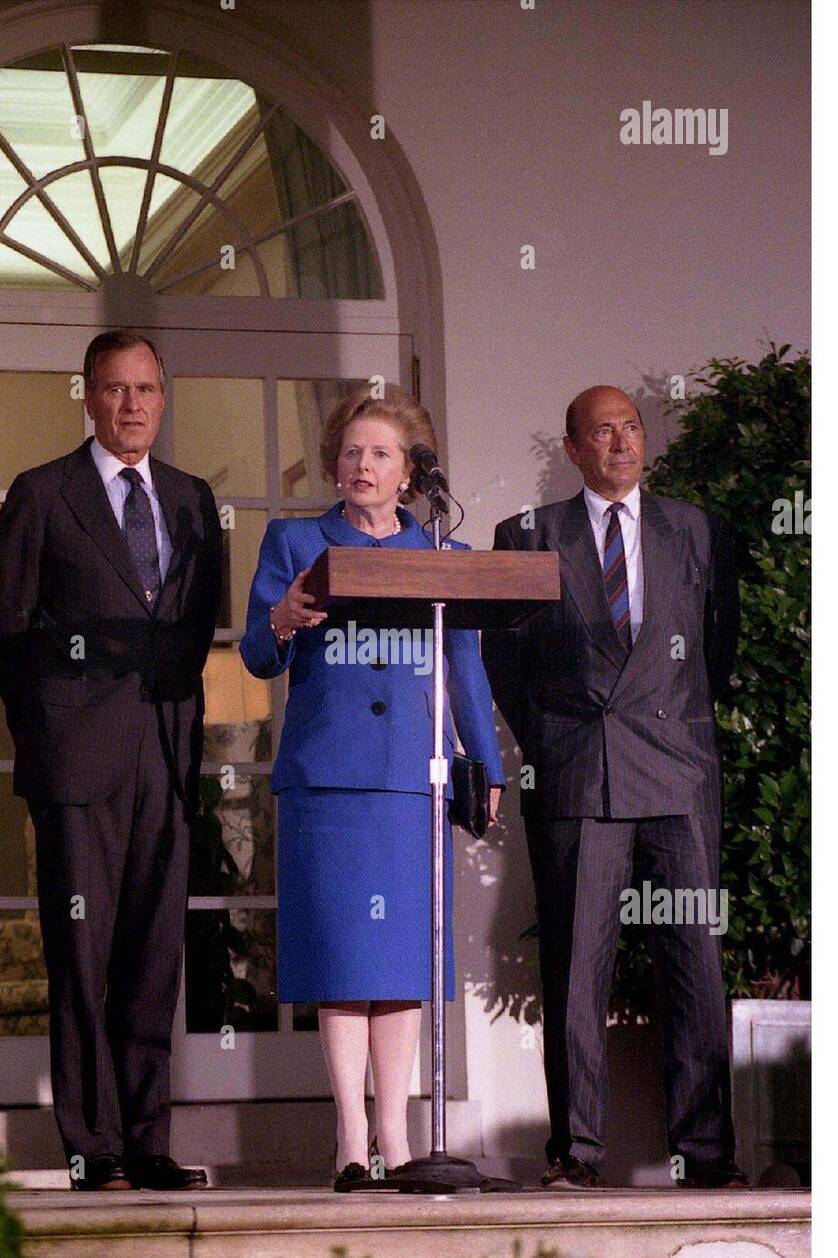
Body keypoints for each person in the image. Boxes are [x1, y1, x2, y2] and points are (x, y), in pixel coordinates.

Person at [482, 385, 748, 1190]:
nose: (621, 442)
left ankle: (706, 1156)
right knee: (576, 971)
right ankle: (579, 1155)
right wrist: (557, 737)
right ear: (572, 448)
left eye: (631, 427)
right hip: (578, 771)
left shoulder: (697, 530)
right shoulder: (528, 535)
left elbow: (718, 651)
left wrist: (679, 730)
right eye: (602, 431)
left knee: (695, 967)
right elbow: (505, 662)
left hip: (677, 771)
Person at [240, 385, 504, 1190]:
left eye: (381, 453)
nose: (363, 465)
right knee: (342, 960)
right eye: (352, 451)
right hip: (329, 780)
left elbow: (466, 668)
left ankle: (398, 1131)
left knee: (399, 964)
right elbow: (258, 654)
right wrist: (283, 615)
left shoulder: (443, 555)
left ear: (409, 470)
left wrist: (486, 764)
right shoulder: (295, 541)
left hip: (410, 782)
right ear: (335, 462)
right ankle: (351, 1140)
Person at [0, 330, 222, 1192]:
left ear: (164, 397)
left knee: (155, 954)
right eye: (115, 389)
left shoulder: (194, 503)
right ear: (87, 396)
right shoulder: (44, 495)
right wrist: (51, 730)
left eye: (146, 390)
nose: (131, 405)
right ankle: (93, 1145)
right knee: (81, 953)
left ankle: (147, 1139)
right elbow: (5, 633)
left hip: (166, 752)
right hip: (78, 764)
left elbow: (196, 633)